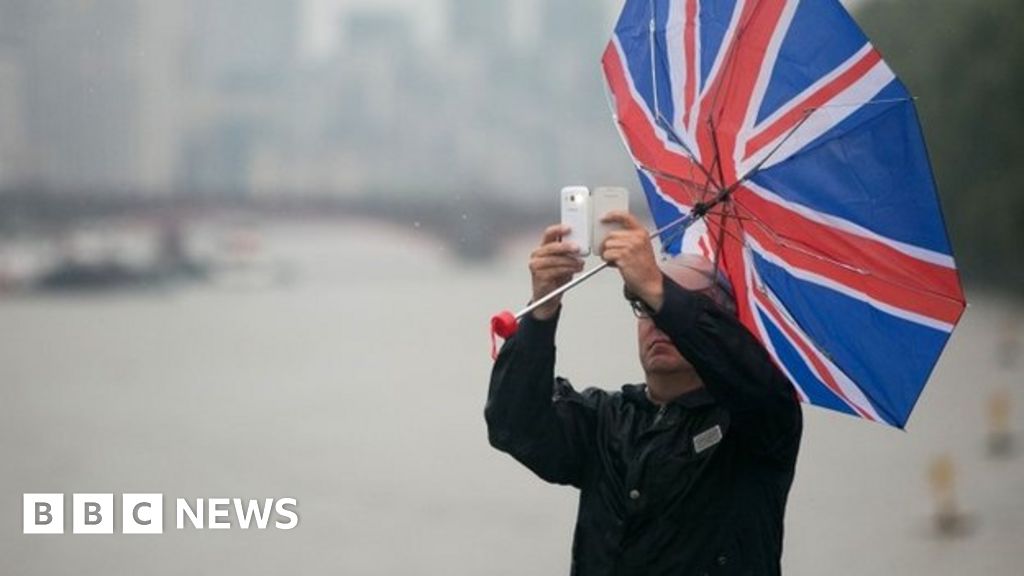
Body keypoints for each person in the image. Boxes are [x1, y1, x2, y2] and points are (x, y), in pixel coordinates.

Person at [486, 212, 802, 576]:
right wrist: (542, 311)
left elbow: (755, 383)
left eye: (665, 308)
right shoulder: (606, 420)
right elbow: (513, 426)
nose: (657, 322)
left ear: (722, 324)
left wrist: (656, 288)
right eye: (642, 307)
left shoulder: (757, 423)